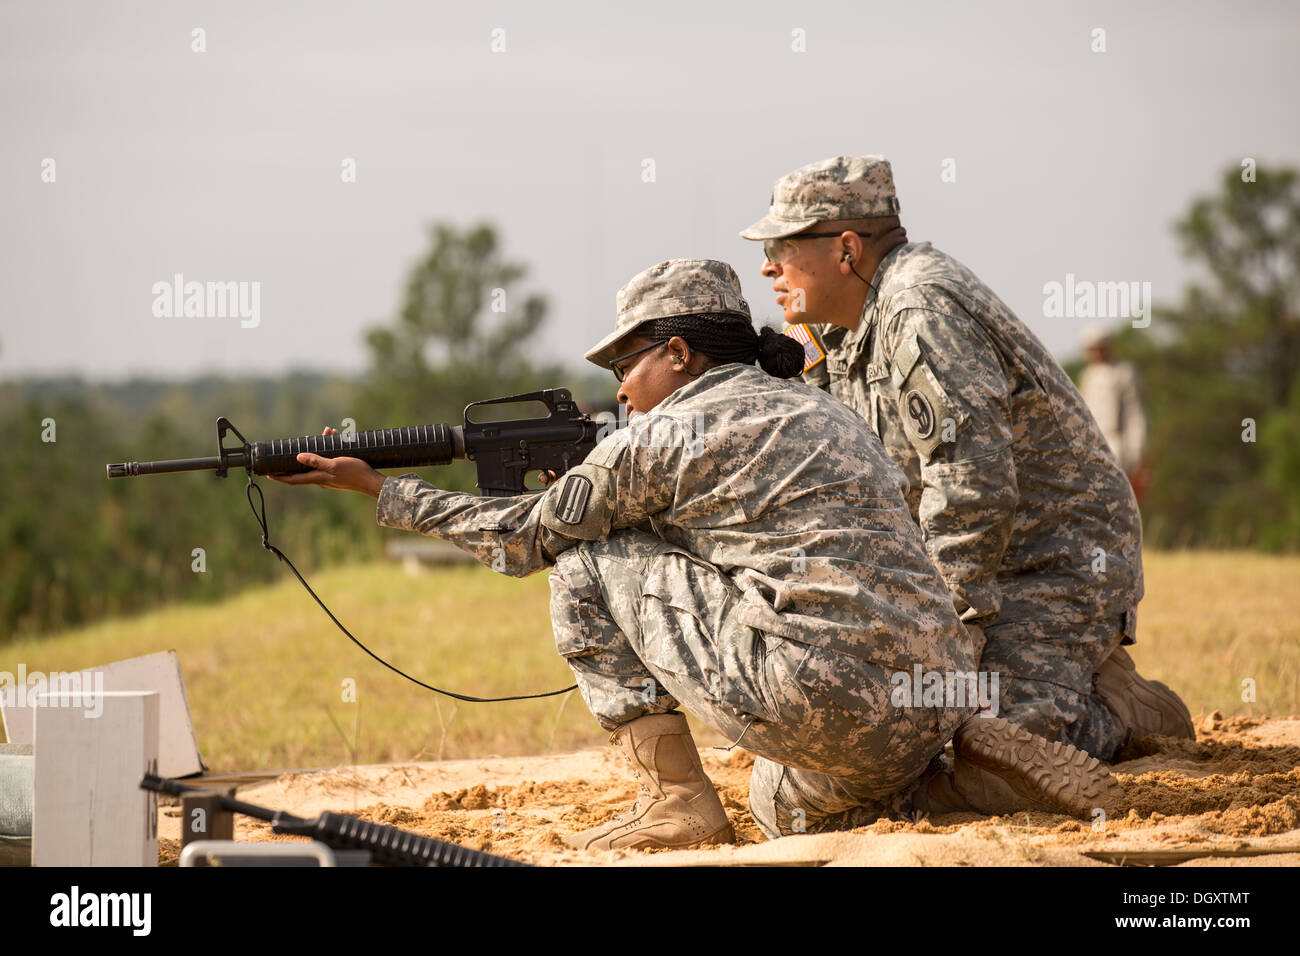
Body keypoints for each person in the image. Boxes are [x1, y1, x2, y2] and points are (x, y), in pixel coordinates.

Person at [272, 258, 1119, 847]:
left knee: (585, 557)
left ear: (679, 353)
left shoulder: (668, 432)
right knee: (778, 804)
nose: (621, 389)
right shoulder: (823, 410)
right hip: (935, 696)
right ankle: (950, 779)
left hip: (818, 691)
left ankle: (674, 801)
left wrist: (380, 490)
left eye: (627, 365)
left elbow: (526, 536)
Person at [740, 156, 1193, 762]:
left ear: (846, 248)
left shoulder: (920, 309)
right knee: (882, 736)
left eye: (783, 245)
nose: (768, 265)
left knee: (987, 752)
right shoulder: (837, 327)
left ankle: (1118, 707)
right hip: (960, 570)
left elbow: (970, 484)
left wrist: (944, 632)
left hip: (1045, 568)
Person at [1078, 326, 1150, 502]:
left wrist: (1136, 450)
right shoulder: (1088, 375)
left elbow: (1135, 414)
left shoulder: (1124, 372)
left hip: (1118, 443)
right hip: (1093, 443)